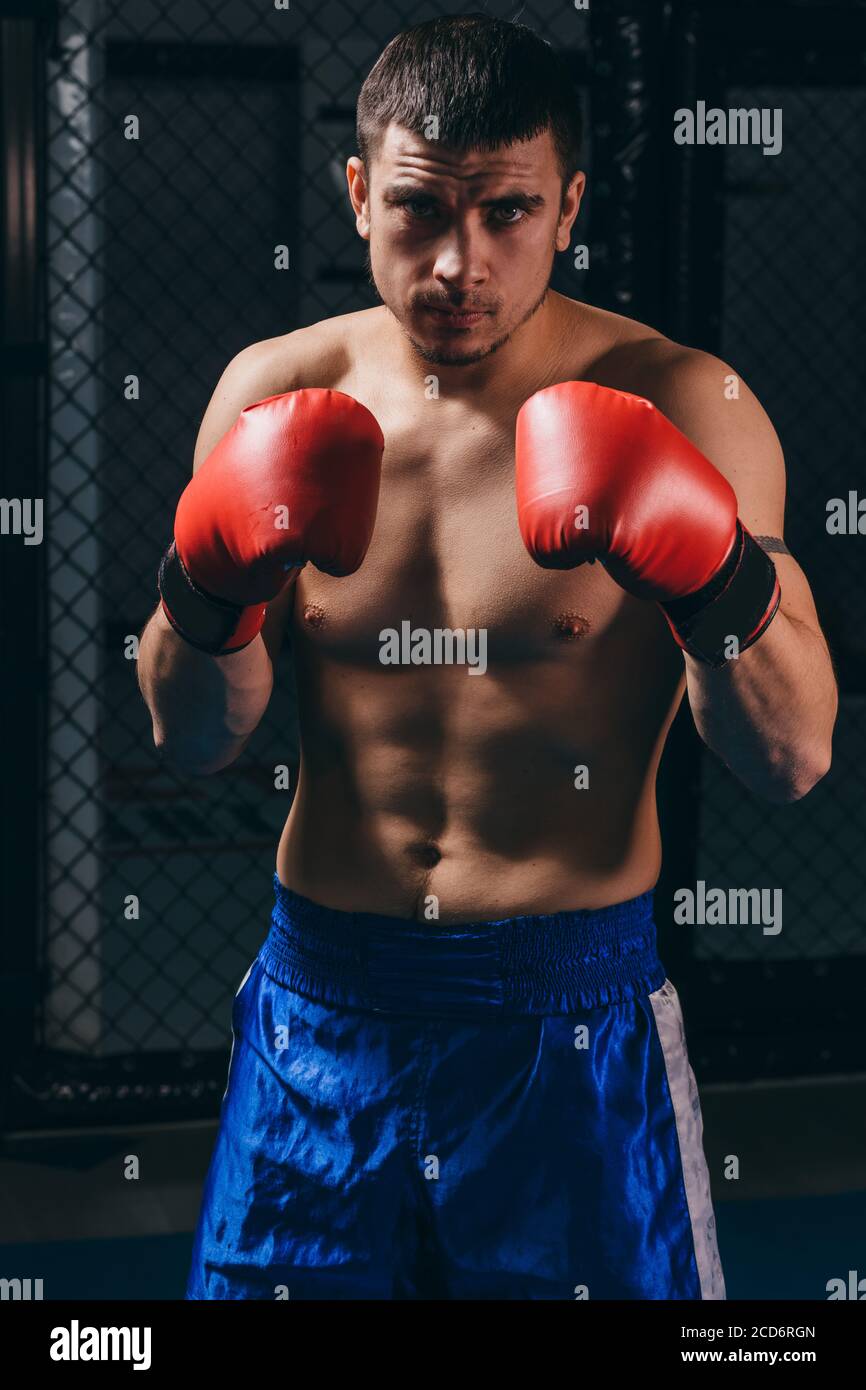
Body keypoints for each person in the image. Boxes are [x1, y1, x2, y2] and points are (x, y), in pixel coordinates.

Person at [137, 15, 837, 1299]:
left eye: (506, 213)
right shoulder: (271, 391)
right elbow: (192, 736)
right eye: (417, 211)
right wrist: (210, 583)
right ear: (357, 195)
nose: (459, 263)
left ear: (567, 204)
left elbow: (790, 756)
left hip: (566, 1020)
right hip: (319, 1015)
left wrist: (708, 567)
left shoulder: (686, 403)